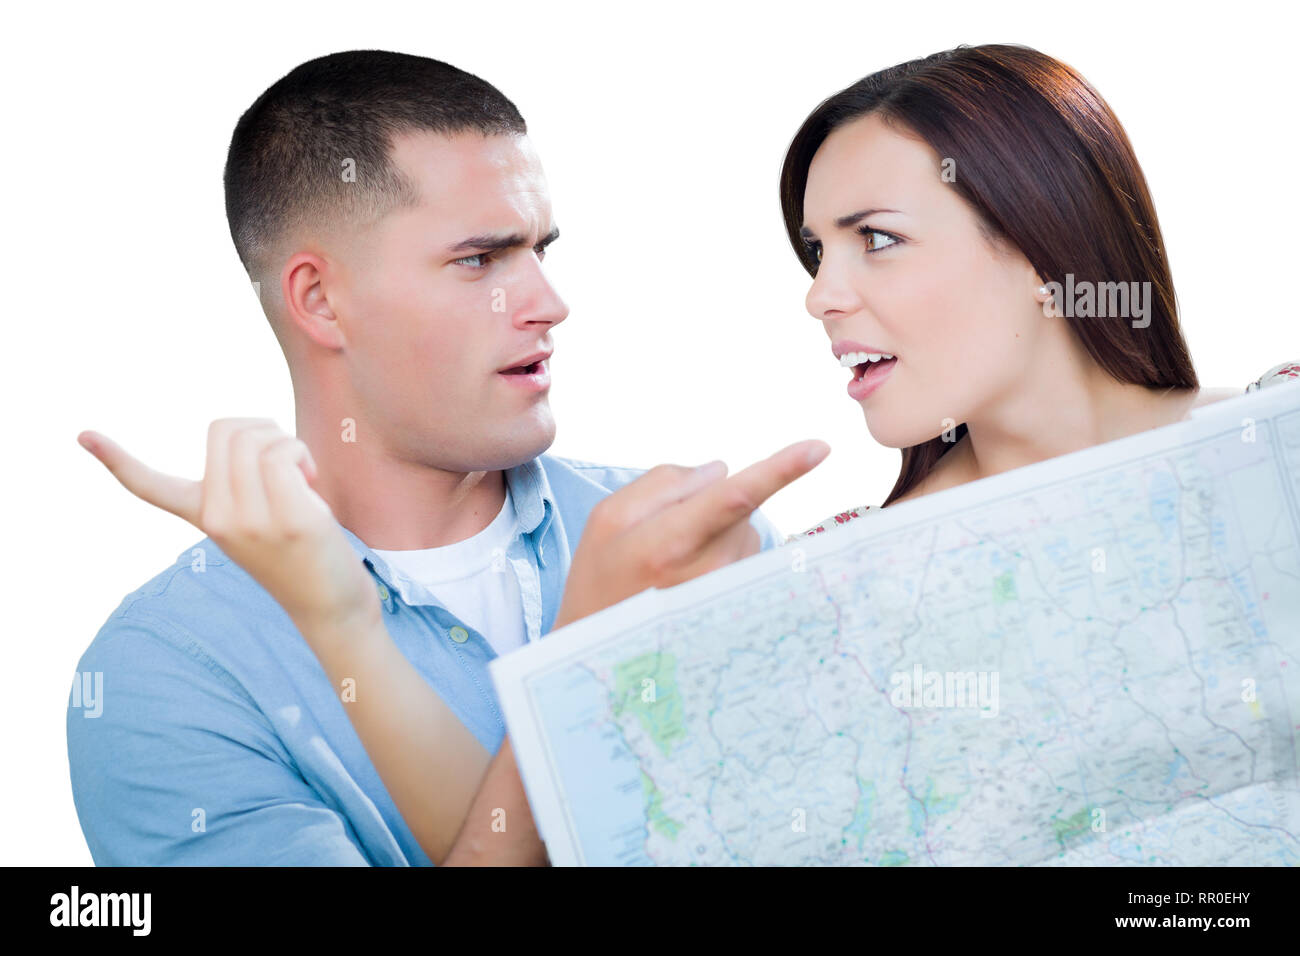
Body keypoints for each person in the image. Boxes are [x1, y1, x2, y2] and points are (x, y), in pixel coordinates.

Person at [68, 49, 821, 866]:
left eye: (541, 250)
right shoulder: (168, 675)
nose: (547, 303)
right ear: (319, 300)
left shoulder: (697, 543)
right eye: (479, 259)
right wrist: (583, 662)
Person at [779, 44, 1298, 538]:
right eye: (819, 252)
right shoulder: (834, 582)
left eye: (877, 238)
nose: (819, 298)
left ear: (1040, 247)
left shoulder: (1285, 435)